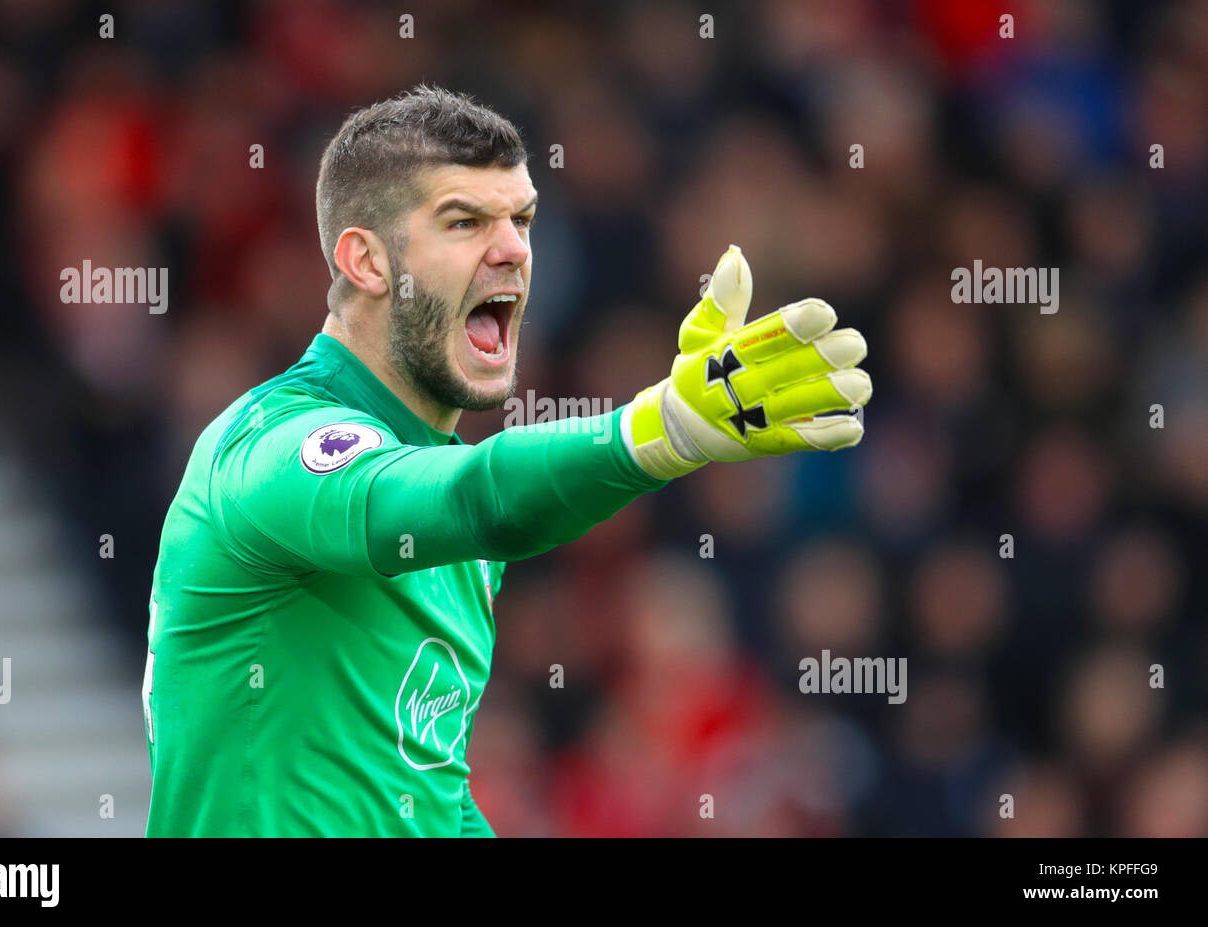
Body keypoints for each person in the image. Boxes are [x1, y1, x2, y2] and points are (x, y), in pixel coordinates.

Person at [142, 83, 872, 837]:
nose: (514, 250)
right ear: (364, 261)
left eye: (521, 220)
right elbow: (471, 499)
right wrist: (659, 432)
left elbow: (430, 795)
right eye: (464, 221)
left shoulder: (458, 537)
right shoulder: (271, 447)